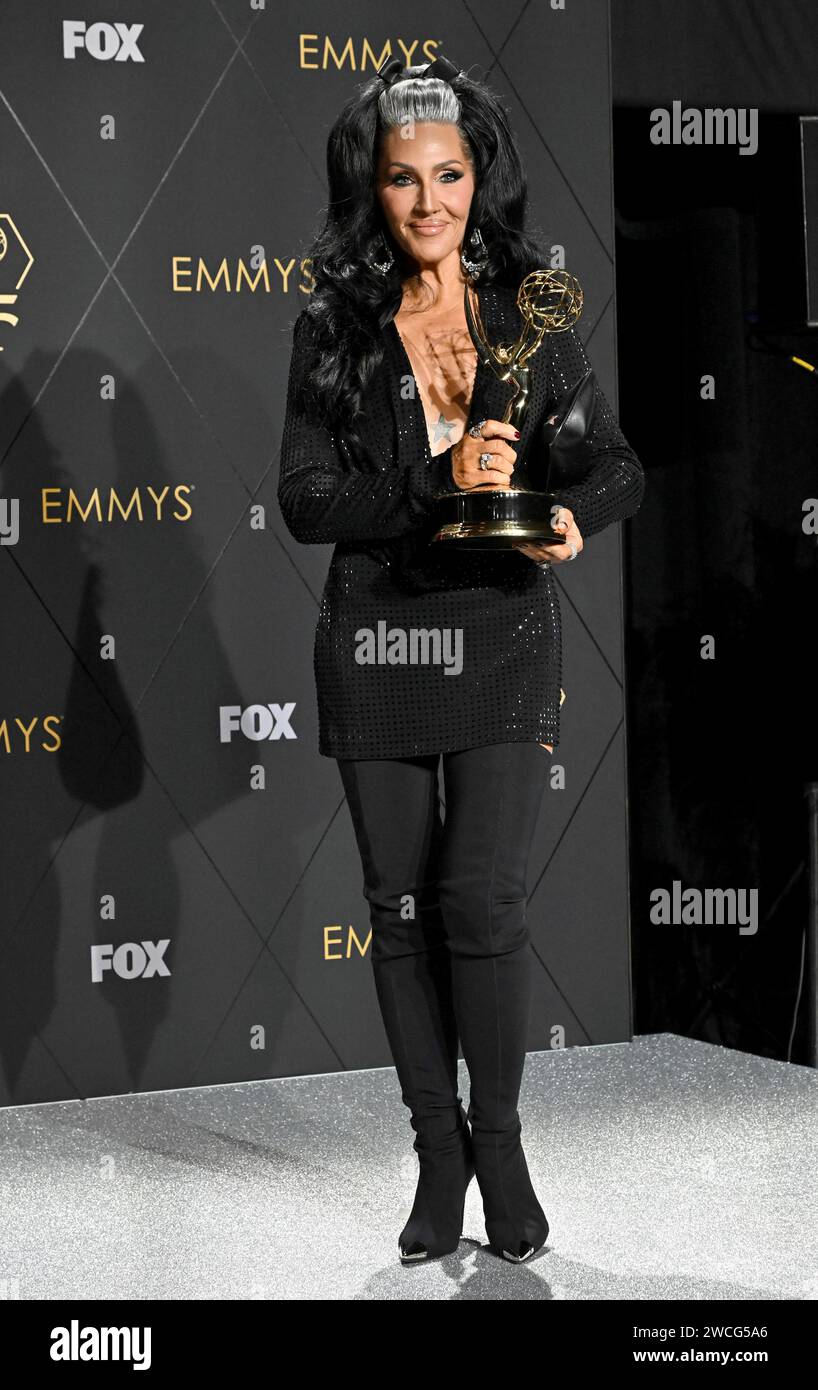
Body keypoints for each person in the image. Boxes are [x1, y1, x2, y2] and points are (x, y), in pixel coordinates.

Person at [277, 53, 645, 1265]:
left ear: (476, 176)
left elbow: (613, 462)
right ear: (371, 189)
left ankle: (500, 1144)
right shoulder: (334, 320)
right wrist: (435, 483)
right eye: (401, 178)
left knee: (480, 898)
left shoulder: (529, 303)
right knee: (397, 908)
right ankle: (436, 1152)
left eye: (448, 173)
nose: (428, 200)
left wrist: (568, 511)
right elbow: (306, 500)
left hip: (498, 627)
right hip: (380, 631)